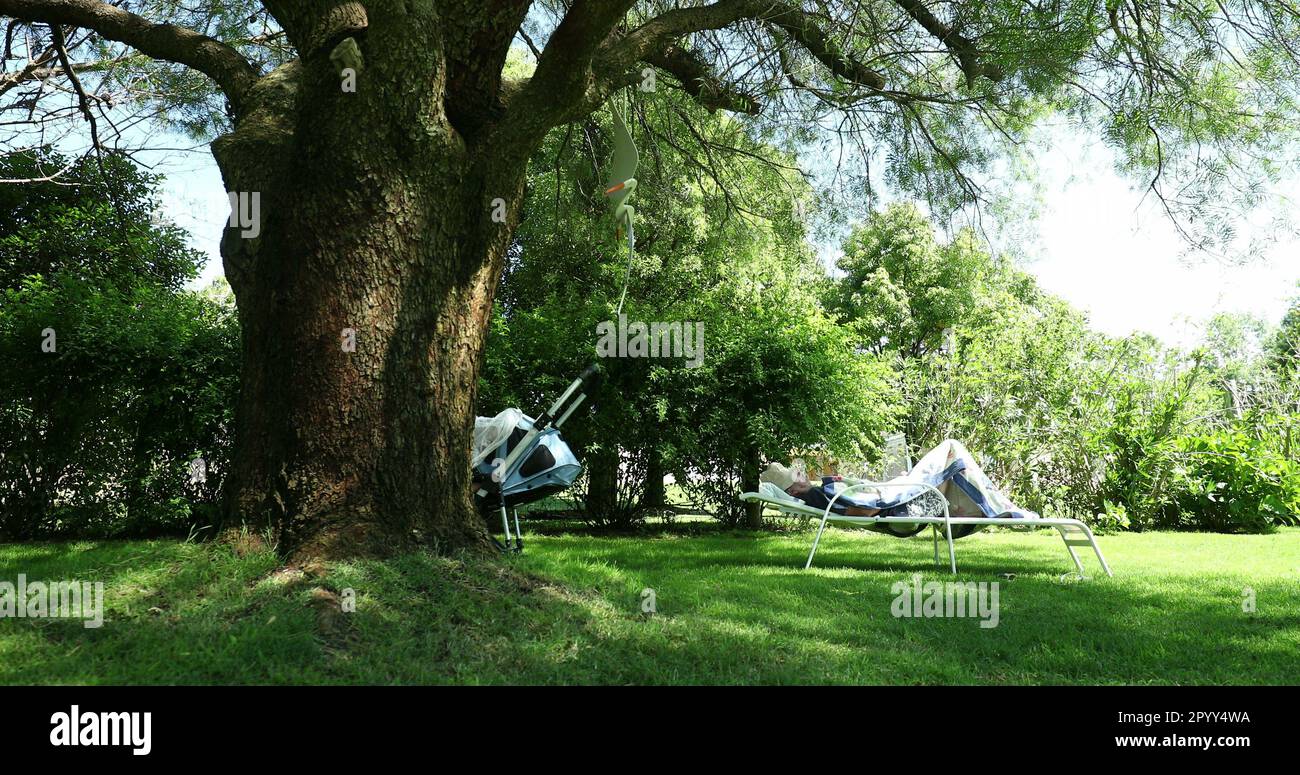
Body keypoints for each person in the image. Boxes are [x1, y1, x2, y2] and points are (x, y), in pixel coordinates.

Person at [759, 461, 880, 516]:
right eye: (797, 476)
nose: (804, 475)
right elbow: (861, 510)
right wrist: (878, 503)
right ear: (792, 491)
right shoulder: (814, 494)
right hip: (878, 505)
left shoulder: (816, 493)